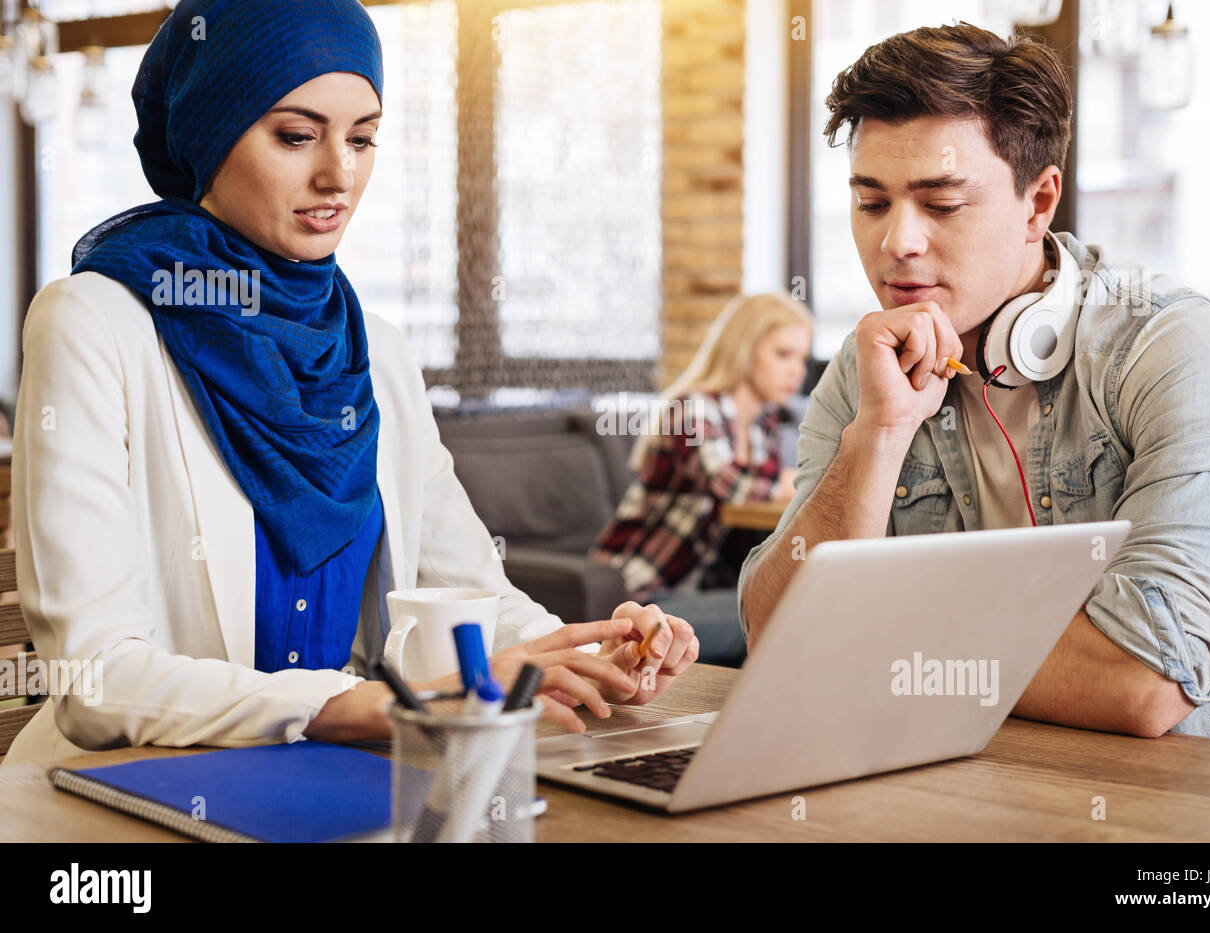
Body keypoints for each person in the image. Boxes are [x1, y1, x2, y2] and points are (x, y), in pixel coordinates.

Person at [2, 0, 696, 767]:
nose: (340, 174)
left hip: (355, 776)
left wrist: (595, 653)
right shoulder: (92, 322)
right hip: (151, 782)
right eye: (297, 136)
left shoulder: (378, 354)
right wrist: (367, 705)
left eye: (362, 138)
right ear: (210, 132)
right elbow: (97, 678)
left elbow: (471, 595)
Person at [739, 23, 1210, 748]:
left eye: (940, 204)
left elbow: (1145, 679)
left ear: (1038, 204)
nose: (896, 243)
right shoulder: (866, 366)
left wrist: (869, 632)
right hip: (976, 795)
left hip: (1199, 812)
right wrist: (877, 436)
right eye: (872, 203)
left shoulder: (1173, 347)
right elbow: (776, 636)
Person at [591, 292, 812, 666]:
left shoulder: (764, 423)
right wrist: (806, 479)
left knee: (797, 600)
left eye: (802, 358)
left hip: (701, 589)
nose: (798, 371)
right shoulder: (692, 408)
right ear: (744, 348)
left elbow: (762, 494)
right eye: (783, 354)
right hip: (643, 596)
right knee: (787, 613)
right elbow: (730, 483)